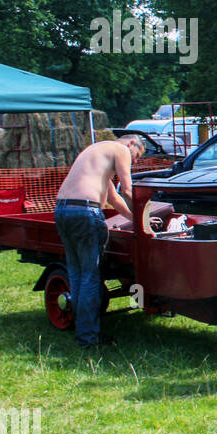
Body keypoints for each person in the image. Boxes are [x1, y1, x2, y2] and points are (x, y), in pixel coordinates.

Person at [54, 135, 146, 347]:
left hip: (63, 210)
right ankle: (88, 338)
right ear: (131, 143)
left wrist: (133, 220)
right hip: (85, 212)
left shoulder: (96, 150)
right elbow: (127, 190)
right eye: (137, 156)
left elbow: (113, 198)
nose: (134, 161)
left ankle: (82, 330)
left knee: (76, 274)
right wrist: (144, 217)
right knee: (90, 276)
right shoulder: (120, 150)